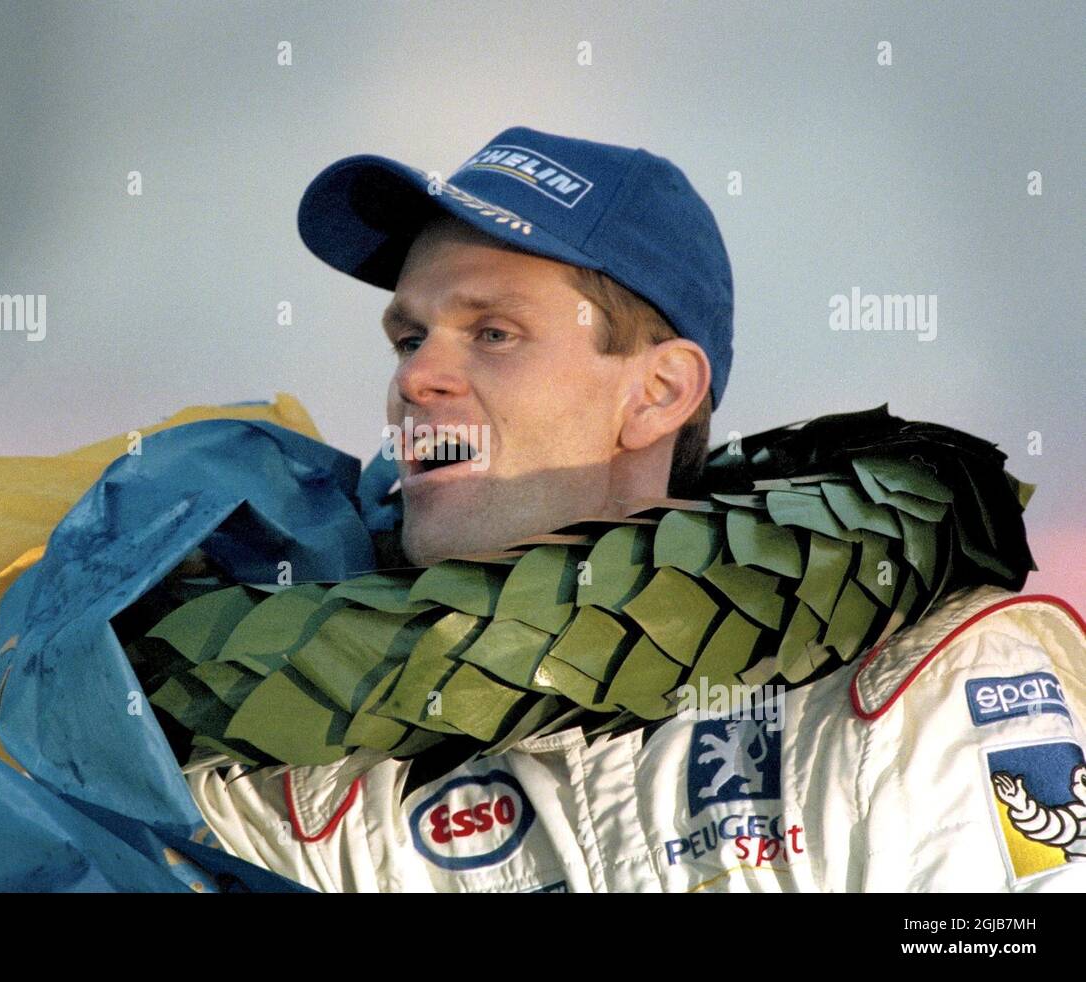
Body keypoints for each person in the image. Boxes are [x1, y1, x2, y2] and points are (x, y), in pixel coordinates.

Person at [180, 126, 1086, 892]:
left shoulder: (919, 689)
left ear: (656, 393)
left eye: (493, 333)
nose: (413, 379)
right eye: (410, 338)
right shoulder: (300, 763)